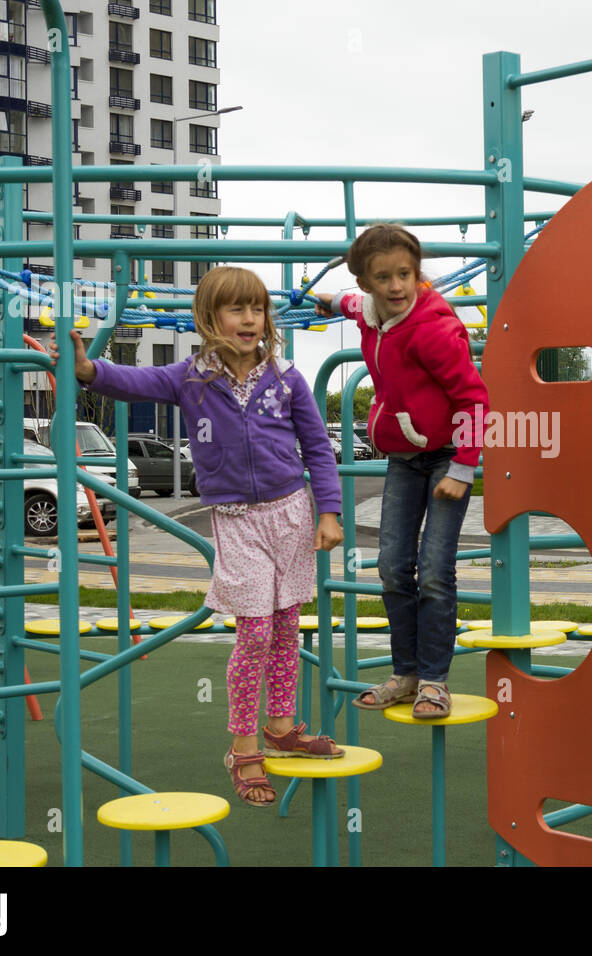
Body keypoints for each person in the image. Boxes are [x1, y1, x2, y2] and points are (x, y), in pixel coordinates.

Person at [53, 266, 345, 808]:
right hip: (236, 520)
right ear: (211, 320)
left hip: (290, 512)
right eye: (237, 310)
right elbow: (132, 381)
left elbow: (318, 449)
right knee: (254, 631)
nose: (250, 320)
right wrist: (89, 369)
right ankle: (243, 745)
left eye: (257, 309)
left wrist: (328, 510)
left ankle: (282, 726)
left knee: (286, 628)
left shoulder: (286, 377)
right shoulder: (191, 378)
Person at [315, 223, 488, 719]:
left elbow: (474, 399)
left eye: (405, 274)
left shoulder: (433, 329)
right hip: (403, 460)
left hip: (446, 459)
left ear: (416, 272)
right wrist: (329, 302)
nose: (396, 286)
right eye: (383, 277)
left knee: (434, 570)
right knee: (392, 566)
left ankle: (434, 680)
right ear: (367, 282)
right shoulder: (371, 311)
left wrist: (463, 467)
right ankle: (405, 672)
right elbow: (350, 304)